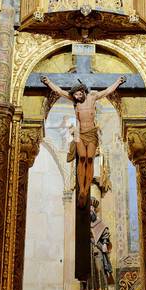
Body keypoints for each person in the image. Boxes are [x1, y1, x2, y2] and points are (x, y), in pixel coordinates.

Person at [43, 73, 125, 206]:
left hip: (92, 133)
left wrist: (118, 82)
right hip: (79, 133)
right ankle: (81, 188)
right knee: (82, 158)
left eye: (78, 94)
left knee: (90, 160)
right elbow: (59, 91)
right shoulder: (75, 101)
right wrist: (48, 82)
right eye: (74, 95)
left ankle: (86, 189)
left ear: (83, 91)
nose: (76, 97)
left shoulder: (93, 97)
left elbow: (107, 91)